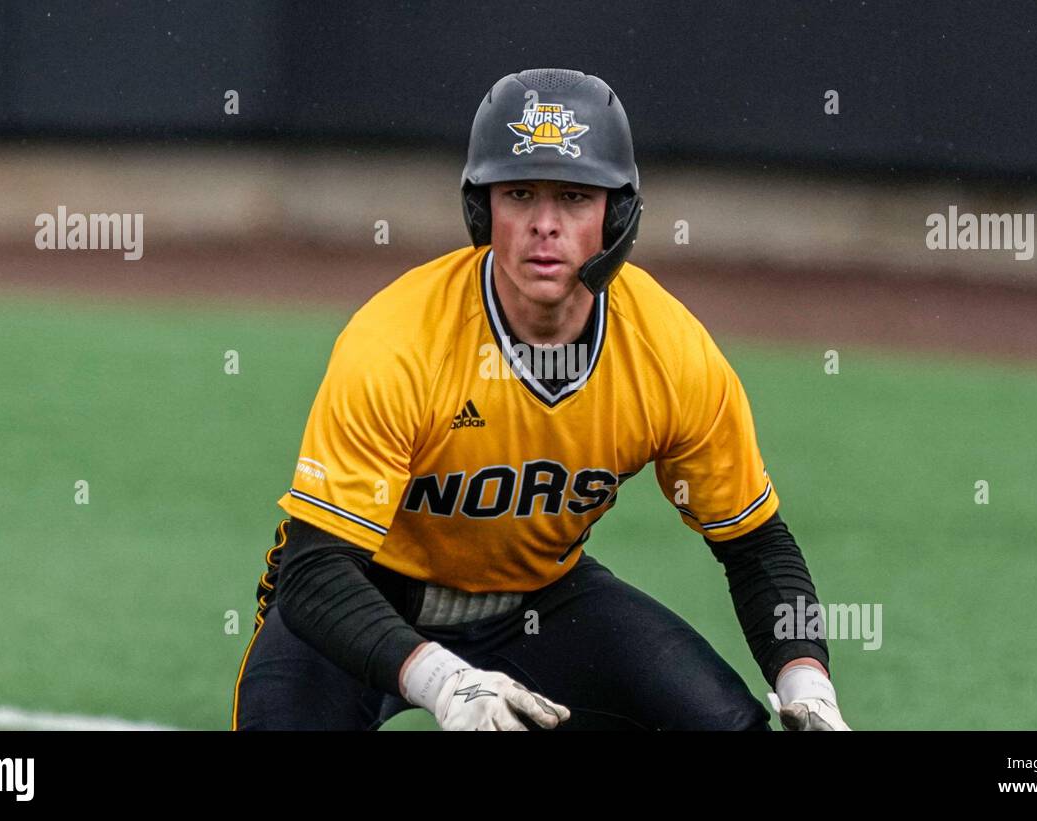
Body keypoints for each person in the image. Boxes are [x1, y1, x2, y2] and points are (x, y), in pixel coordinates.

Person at [232, 68, 850, 731]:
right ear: (481, 209)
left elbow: (757, 546)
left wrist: (808, 683)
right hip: (368, 602)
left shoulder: (669, 351)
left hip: (540, 602)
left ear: (617, 214)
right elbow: (315, 571)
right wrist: (445, 681)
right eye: (520, 193)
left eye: (576, 197)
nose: (545, 225)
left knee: (727, 725)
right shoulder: (398, 341)